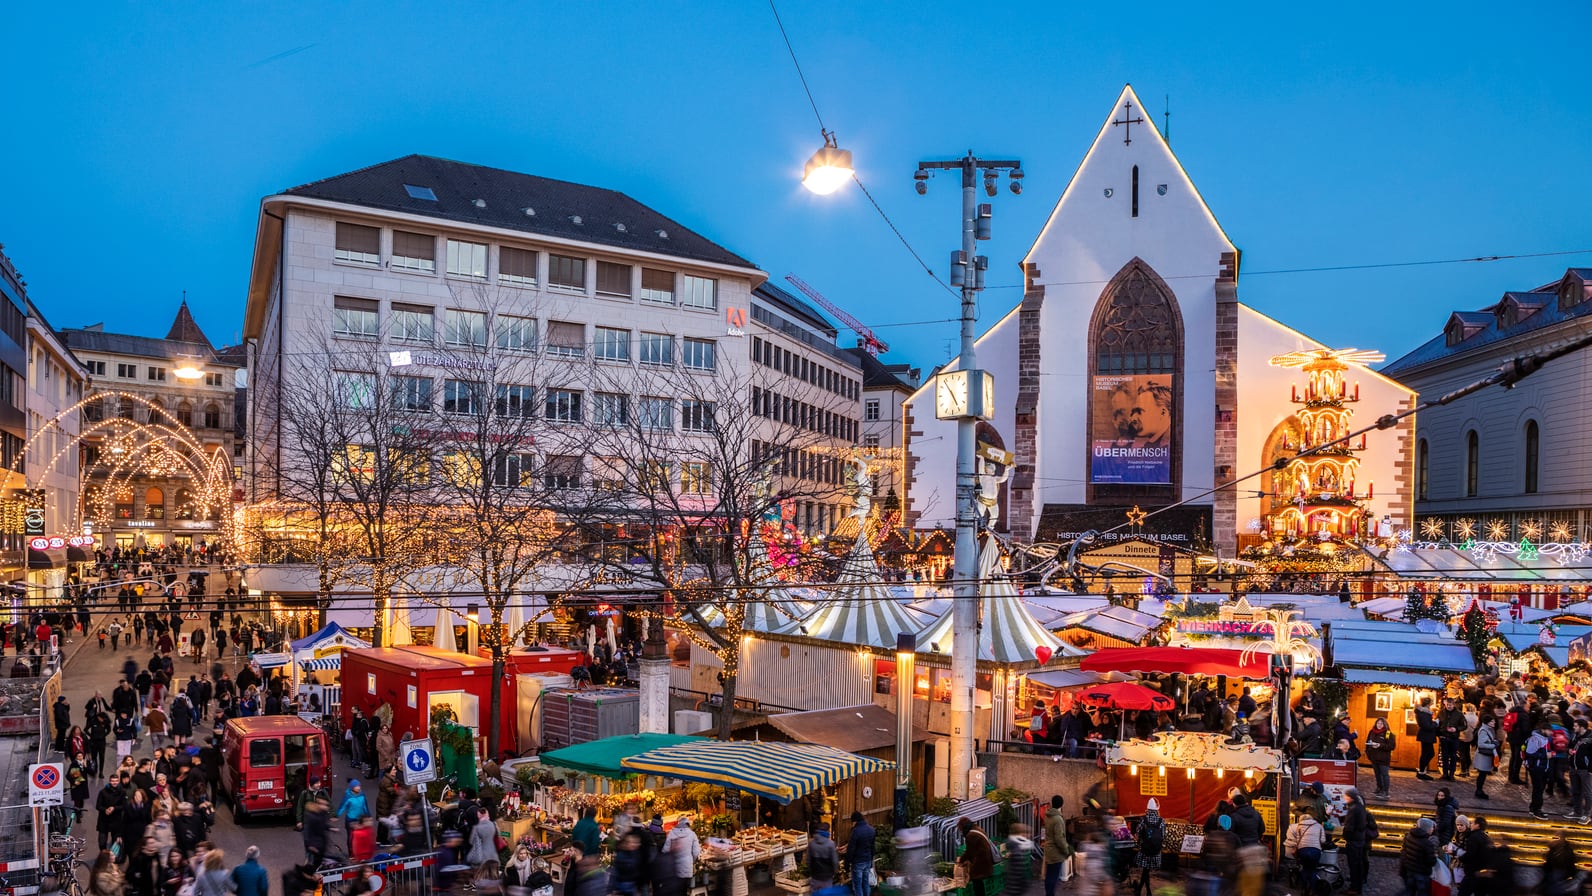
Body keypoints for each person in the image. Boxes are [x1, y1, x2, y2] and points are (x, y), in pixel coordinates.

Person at [1340, 787, 1374, 896]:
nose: (1344, 798)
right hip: (1360, 839)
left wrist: (1346, 836)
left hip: (1354, 840)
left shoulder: (1354, 809)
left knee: (1354, 865)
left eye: (1346, 796)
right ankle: (1357, 885)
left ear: (1350, 797)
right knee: (1358, 864)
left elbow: (1349, 827)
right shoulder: (1360, 807)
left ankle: (1354, 888)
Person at [1129, 799, 1165, 896]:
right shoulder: (1161, 821)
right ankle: (1146, 891)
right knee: (1146, 870)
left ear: (1148, 808)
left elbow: (1138, 834)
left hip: (1144, 850)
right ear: (1157, 809)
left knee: (1146, 870)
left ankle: (1142, 891)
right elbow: (1163, 836)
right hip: (1156, 852)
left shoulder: (1143, 820)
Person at [1284, 807, 1324, 891]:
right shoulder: (1319, 826)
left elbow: (1298, 840)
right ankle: (1312, 890)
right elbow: (1323, 840)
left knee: (1305, 869)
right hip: (1315, 851)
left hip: (1303, 850)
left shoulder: (1299, 826)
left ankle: (1304, 888)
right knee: (1313, 869)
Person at [956, 817, 996, 896]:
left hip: (982, 862)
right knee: (978, 881)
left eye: (960, 829)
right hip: (986, 859)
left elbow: (969, 852)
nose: (960, 831)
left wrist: (960, 860)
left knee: (977, 881)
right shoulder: (977, 829)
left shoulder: (971, 835)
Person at [1041, 795, 1073, 896]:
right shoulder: (1058, 819)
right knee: (1053, 877)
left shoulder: (1048, 816)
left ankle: (1048, 894)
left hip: (1049, 849)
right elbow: (1059, 838)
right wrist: (1066, 850)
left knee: (1049, 875)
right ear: (1062, 804)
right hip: (1056, 851)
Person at [1398, 818, 1437, 896]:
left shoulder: (1409, 836)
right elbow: (1431, 861)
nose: (1433, 829)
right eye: (1431, 827)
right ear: (1427, 828)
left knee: (1409, 891)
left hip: (1410, 871)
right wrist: (1435, 857)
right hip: (1422, 873)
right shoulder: (1427, 843)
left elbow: (1404, 852)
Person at [662, 816, 700, 896]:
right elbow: (696, 851)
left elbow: (665, 850)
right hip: (686, 866)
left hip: (674, 867)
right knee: (684, 889)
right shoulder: (692, 834)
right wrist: (691, 860)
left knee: (675, 889)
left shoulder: (672, 833)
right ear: (688, 824)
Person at [1527, 718, 1555, 819]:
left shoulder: (1546, 739)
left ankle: (1533, 807)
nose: (1551, 733)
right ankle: (1537, 810)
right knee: (1538, 789)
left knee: (1540, 788)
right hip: (1537, 768)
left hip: (1543, 767)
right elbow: (1530, 753)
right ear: (1543, 730)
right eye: (1549, 731)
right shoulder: (1535, 739)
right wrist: (1545, 755)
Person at [1363, 717, 1396, 799]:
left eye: (1381, 723)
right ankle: (1379, 788)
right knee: (1377, 774)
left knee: (1384, 775)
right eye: (1378, 723)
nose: (1379, 725)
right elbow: (1368, 742)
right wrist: (1368, 752)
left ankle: (1385, 791)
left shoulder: (1388, 733)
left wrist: (1379, 745)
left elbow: (1391, 746)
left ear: (1384, 724)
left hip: (1383, 758)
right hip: (1374, 757)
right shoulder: (1372, 732)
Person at [845, 811, 875, 896]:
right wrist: (871, 860)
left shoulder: (856, 832)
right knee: (865, 883)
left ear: (855, 821)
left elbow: (851, 849)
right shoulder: (871, 830)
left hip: (858, 862)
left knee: (858, 885)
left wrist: (847, 864)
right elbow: (873, 847)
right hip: (867, 860)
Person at [1437, 696, 1467, 781]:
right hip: (1444, 737)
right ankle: (1445, 774)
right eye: (1447, 705)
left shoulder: (1459, 714)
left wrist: (1456, 729)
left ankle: (1451, 775)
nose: (1448, 706)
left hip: (1454, 738)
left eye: (1450, 705)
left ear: (1453, 705)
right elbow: (1438, 723)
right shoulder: (1441, 712)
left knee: (1453, 756)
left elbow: (1464, 725)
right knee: (1444, 756)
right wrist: (1439, 734)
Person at [1542, 831, 1578, 896]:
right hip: (1554, 876)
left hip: (1560, 876)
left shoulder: (1567, 850)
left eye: (1557, 837)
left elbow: (1571, 864)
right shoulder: (1553, 850)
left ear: (1562, 838)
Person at [807, 826, 838, 892]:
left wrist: (810, 871)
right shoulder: (831, 844)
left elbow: (808, 860)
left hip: (815, 876)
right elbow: (834, 861)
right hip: (827, 876)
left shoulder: (811, 843)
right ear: (826, 832)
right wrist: (835, 871)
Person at [1415, 696, 1439, 780]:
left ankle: (1422, 771)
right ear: (1428, 704)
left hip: (1426, 735)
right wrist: (1435, 723)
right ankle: (1421, 771)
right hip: (1426, 736)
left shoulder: (1423, 712)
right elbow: (1427, 726)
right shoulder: (1424, 713)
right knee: (1428, 753)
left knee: (1427, 753)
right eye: (1431, 703)